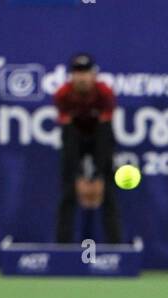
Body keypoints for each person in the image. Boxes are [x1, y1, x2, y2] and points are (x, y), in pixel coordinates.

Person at [53, 53, 123, 244]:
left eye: (86, 72)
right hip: (75, 138)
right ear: (71, 75)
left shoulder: (105, 93)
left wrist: (100, 176)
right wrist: (77, 177)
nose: (82, 77)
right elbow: (69, 138)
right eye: (77, 72)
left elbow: (104, 135)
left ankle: (116, 249)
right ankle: (62, 248)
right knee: (68, 191)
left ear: (93, 74)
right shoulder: (62, 95)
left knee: (107, 191)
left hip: (99, 138)